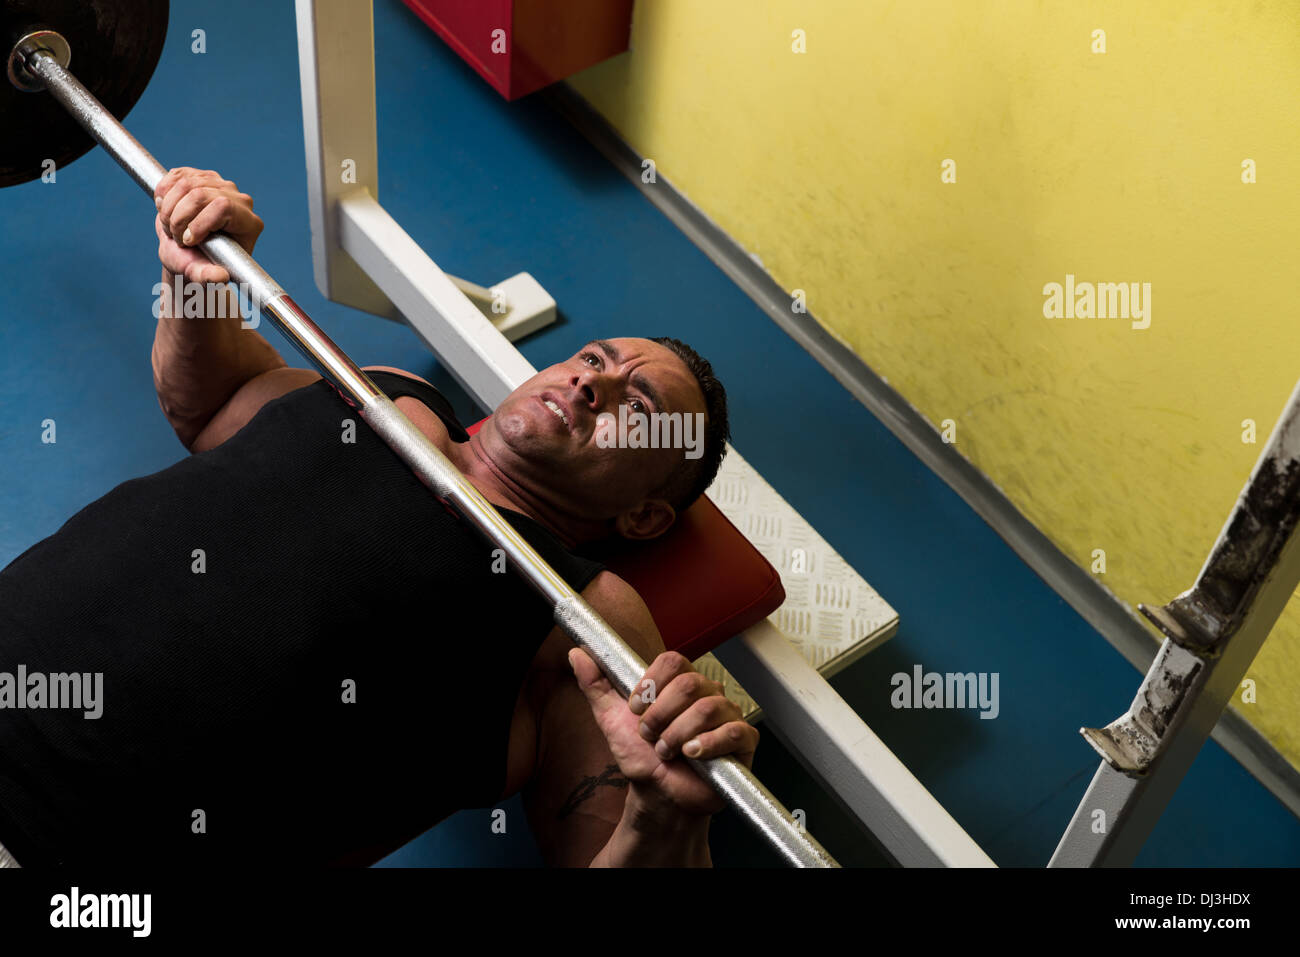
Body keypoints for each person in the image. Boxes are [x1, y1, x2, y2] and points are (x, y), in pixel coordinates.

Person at [0, 168, 757, 868]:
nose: (595, 384)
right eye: (593, 358)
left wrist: (663, 821)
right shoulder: (392, 395)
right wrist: (195, 274)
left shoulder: (587, 614)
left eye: (639, 406)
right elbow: (208, 404)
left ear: (645, 516)